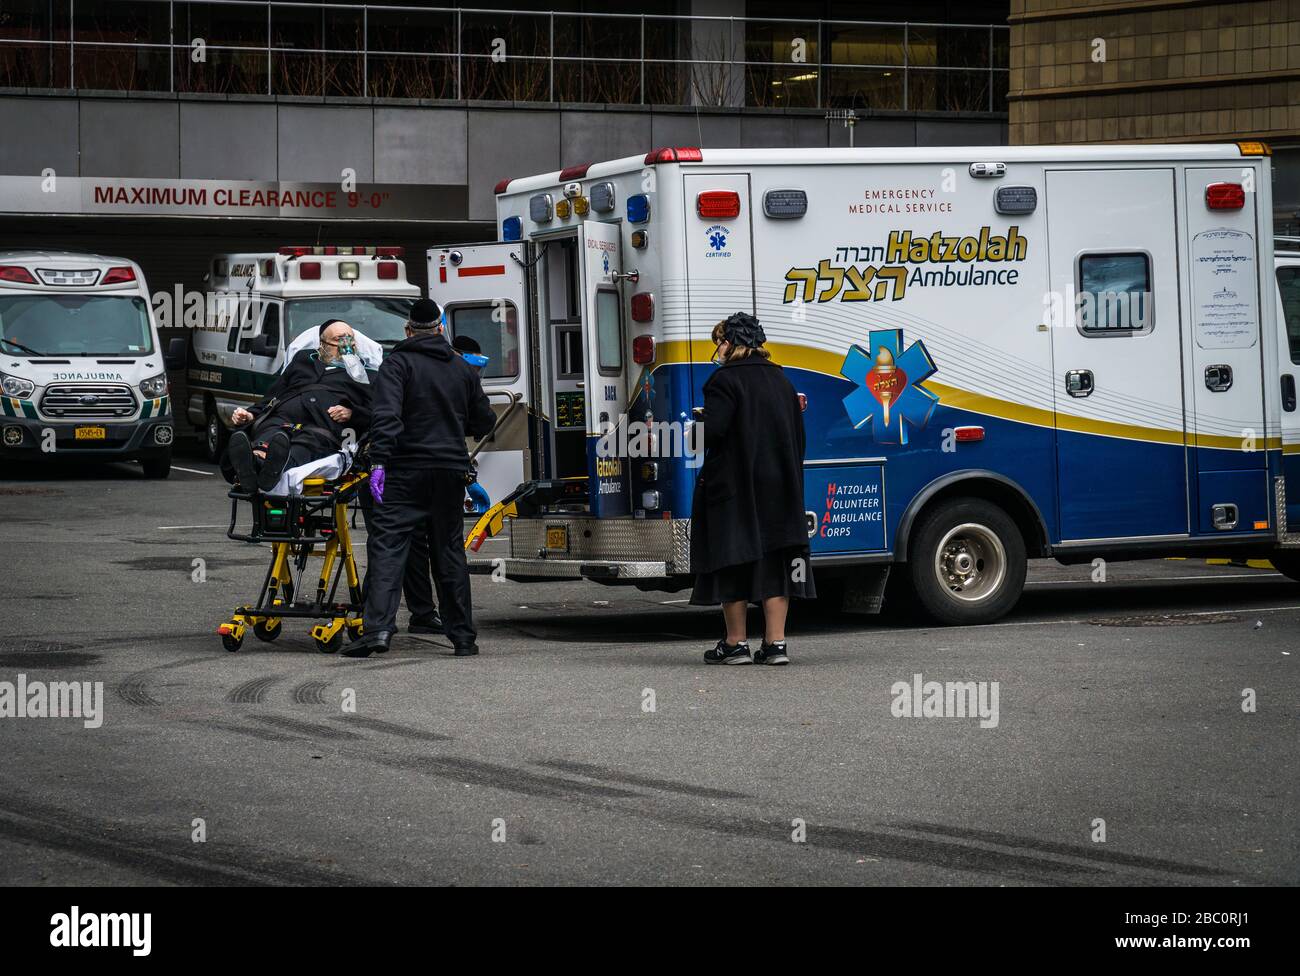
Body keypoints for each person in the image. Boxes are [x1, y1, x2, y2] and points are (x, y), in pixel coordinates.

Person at [344, 298, 495, 657]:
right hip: (449, 472)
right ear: (441, 329)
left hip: (404, 471)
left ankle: (378, 630)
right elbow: (484, 422)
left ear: (407, 330)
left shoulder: (396, 365)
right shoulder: (461, 368)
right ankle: (462, 637)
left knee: (388, 548)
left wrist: (378, 462)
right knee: (448, 552)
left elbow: (387, 417)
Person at [689, 312, 815, 666]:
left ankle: (736, 644)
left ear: (732, 343)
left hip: (735, 488)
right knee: (776, 563)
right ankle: (776, 644)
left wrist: (695, 426)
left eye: (720, 342)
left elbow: (712, 433)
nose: (718, 349)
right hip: (781, 488)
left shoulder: (723, 381)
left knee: (733, 560)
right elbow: (798, 437)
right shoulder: (782, 380)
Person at [224, 320, 371, 493]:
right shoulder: (302, 361)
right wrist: (250, 414)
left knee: (302, 446)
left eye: (350, 339)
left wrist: (352, 413)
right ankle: (255, 463)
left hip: (320, 426)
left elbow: (376, 414)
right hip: (281, 419)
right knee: (269, 437)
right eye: (339, 340)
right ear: (322, 345)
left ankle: (265, 467)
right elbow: (274, 395)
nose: (346, 346)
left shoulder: (365, 376)